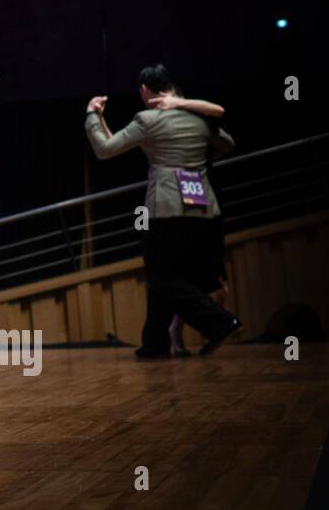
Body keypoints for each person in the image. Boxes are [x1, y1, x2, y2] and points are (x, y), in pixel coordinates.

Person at [84, 65, 242, 359]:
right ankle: (155, 343)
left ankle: (221, 322)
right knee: (169, 275)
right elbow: (228, 144)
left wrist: (93, 115)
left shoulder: (148, 119)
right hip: (204, 207)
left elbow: (106, 149)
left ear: (145, 91)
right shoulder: (198, 118)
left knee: (162, 278)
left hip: (166, 208)